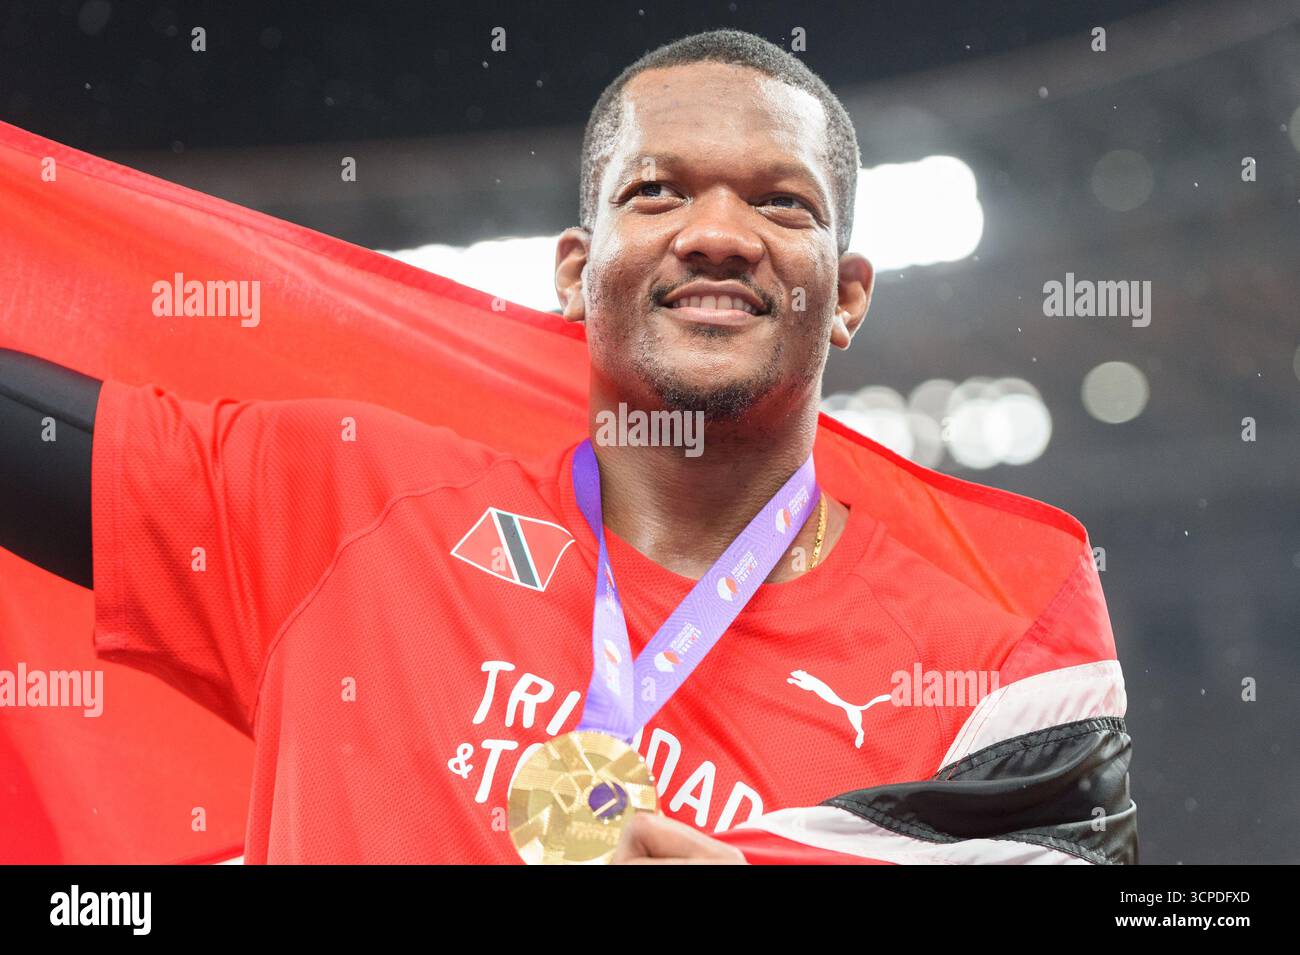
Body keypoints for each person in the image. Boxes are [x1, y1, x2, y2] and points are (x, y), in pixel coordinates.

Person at [0, 29, 1136, 864]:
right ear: (571, 276)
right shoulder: (346, 501)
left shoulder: (972, 677)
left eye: (782, 205)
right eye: (656, 192)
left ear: (845, 297)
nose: (717, 234)